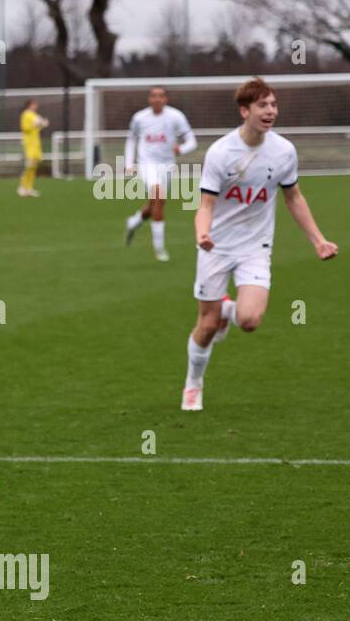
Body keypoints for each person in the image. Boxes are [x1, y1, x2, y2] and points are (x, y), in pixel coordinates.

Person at [181, 77, 338, 411]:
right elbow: (205, 205)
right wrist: (202, 234)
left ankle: (228, 309)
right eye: (262, 105)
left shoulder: (283, 151)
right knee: (206, 326)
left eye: (273, 104)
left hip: (256, 246)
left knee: (250, 320)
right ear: (244, 111)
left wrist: (318, 240)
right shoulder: (221, 153)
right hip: (217, 246)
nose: (270, 111)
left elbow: (294, 198)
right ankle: (194, 383)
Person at [123, 85, 197, 262]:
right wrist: (128, 163)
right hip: (146, 164)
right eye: (153, 96)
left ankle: (134, 222)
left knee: (156, 203)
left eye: (161, 96)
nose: (157, 99)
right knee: (158, 195)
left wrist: (181, 149)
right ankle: (159, 249)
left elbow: (192, 141)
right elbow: (131, 140)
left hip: (167, 165)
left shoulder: (176, 116)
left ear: (166, 99)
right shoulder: (139, 118)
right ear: (149, 99)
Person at [17, 98, 48, 197]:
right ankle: (22, 187)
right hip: (29, 144)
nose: (36, 106)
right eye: (34, 104)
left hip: (36, 144)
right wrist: (35, 125)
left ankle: (29, 188)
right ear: (29, 105)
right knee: (28, 166)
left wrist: (43, 124)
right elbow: (25, 128)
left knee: (34, 166)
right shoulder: (25, 114)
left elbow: (38, 126)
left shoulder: (35, 115)